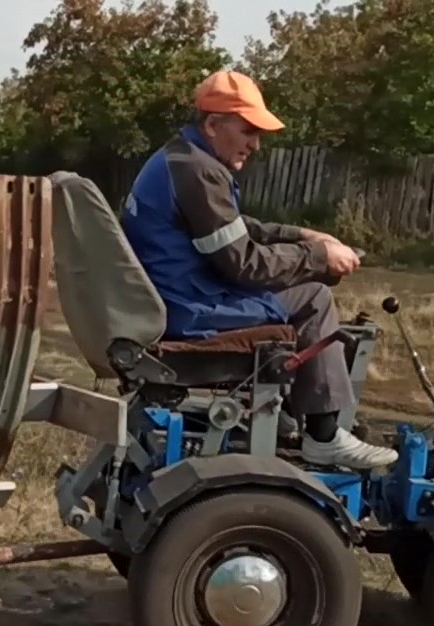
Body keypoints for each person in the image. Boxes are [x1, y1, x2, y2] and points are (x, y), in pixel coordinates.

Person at [119, 69, 398, 471]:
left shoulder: (179, 158)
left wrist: (302, 236)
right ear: (213, 125)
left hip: (177, 295)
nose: (256, 144)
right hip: (189, 309)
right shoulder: (199, 170)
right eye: (248, 130)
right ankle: (324, 436)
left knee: (302, 289)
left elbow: (232, 228)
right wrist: (318, 259)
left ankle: (290, 419)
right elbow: (245, 265)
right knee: (314, 297)